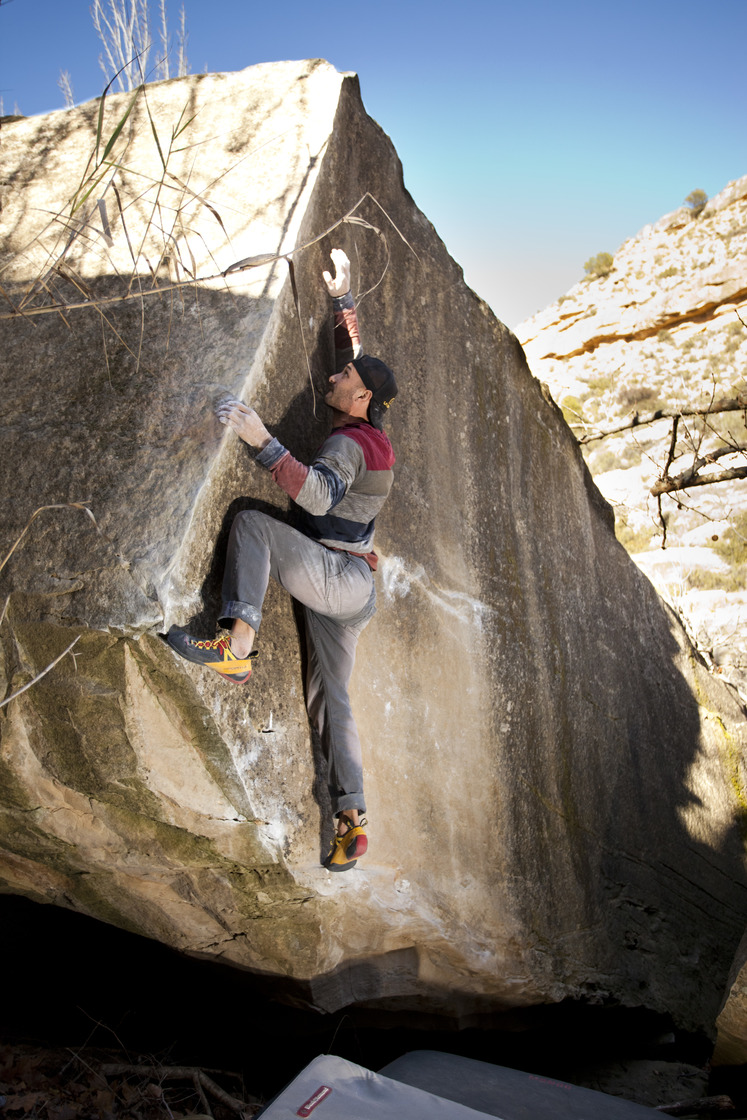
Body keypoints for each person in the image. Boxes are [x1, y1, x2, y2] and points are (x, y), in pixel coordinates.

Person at [166, 249, 398, 873]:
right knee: (332, 702)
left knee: (252, 526)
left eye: (345, 378)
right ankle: (352, 818)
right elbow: (356, 363)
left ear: (363, 397)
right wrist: (343, 299)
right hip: (353, 584)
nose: (333, 377)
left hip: (338, 575)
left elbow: (317, 493)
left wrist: (258, 437)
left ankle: (236, 645)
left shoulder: (352, 442)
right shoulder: (371, 432)